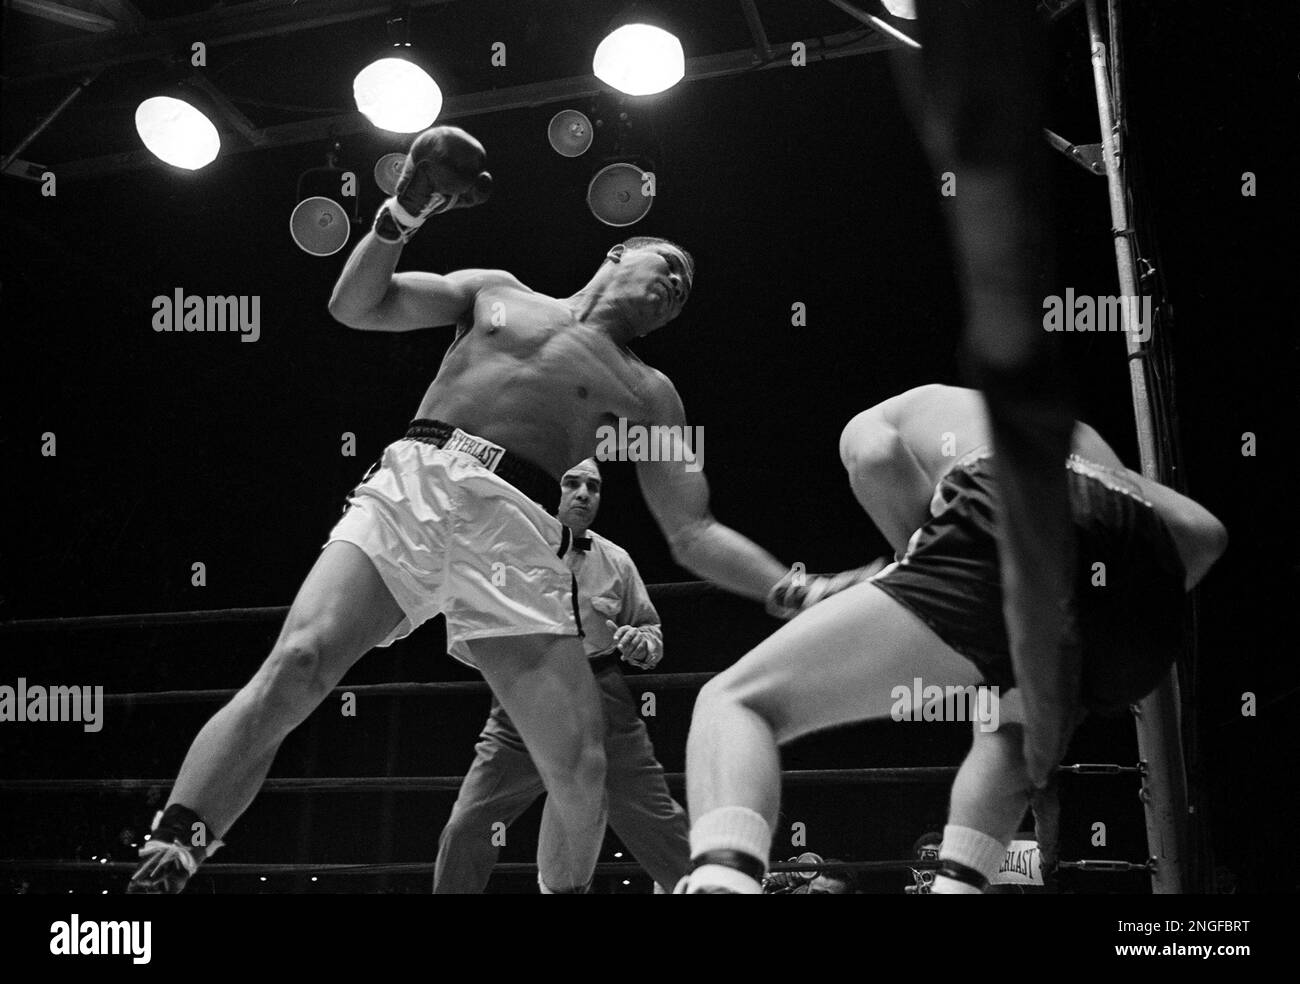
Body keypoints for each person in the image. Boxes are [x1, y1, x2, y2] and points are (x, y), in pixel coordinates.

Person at [128, 125, 789, 893]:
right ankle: (172, 853)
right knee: (299, 663)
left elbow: (692, 528)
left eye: (685, 291)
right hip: (420, 477)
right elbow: (357, 305)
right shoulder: (496, 291)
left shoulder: (648, 388)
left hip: (518, 529)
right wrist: (403, 213)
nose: (677, 286)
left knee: (581, 769)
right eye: (669, 265)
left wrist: (791, 586)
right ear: (618, 254)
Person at [678, 384, 1227, 893]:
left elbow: (874, 455)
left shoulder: (901, 409)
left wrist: (918, 575)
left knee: (736, 700)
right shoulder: (1078, 436)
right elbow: (1204, 535)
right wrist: (1101, 613)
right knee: (1007, 732)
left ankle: (723, 882)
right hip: (1139, 603)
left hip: (1004, 517)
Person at [433, 458, 689, 893]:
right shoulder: (507, 551)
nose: (583, 493)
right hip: (525, 694)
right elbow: (472, 628)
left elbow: (650, 631)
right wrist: (514, 669)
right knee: (470, 823)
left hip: (603, 694)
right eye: (572, 483)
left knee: (655, 820)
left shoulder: (616, 561)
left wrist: (642, 644)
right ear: (552, 489)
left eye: (593, 486)